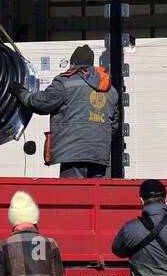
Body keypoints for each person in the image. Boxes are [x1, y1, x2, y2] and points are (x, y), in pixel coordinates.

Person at [10, 44, 119, 179]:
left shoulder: (66, 82)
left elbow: (42, 103)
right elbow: (114, 125)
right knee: (96, 197)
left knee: (73, 197)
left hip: (73, 154)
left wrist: (22, 93)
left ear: (73, 63)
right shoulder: (110, 89)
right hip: (99, 155)